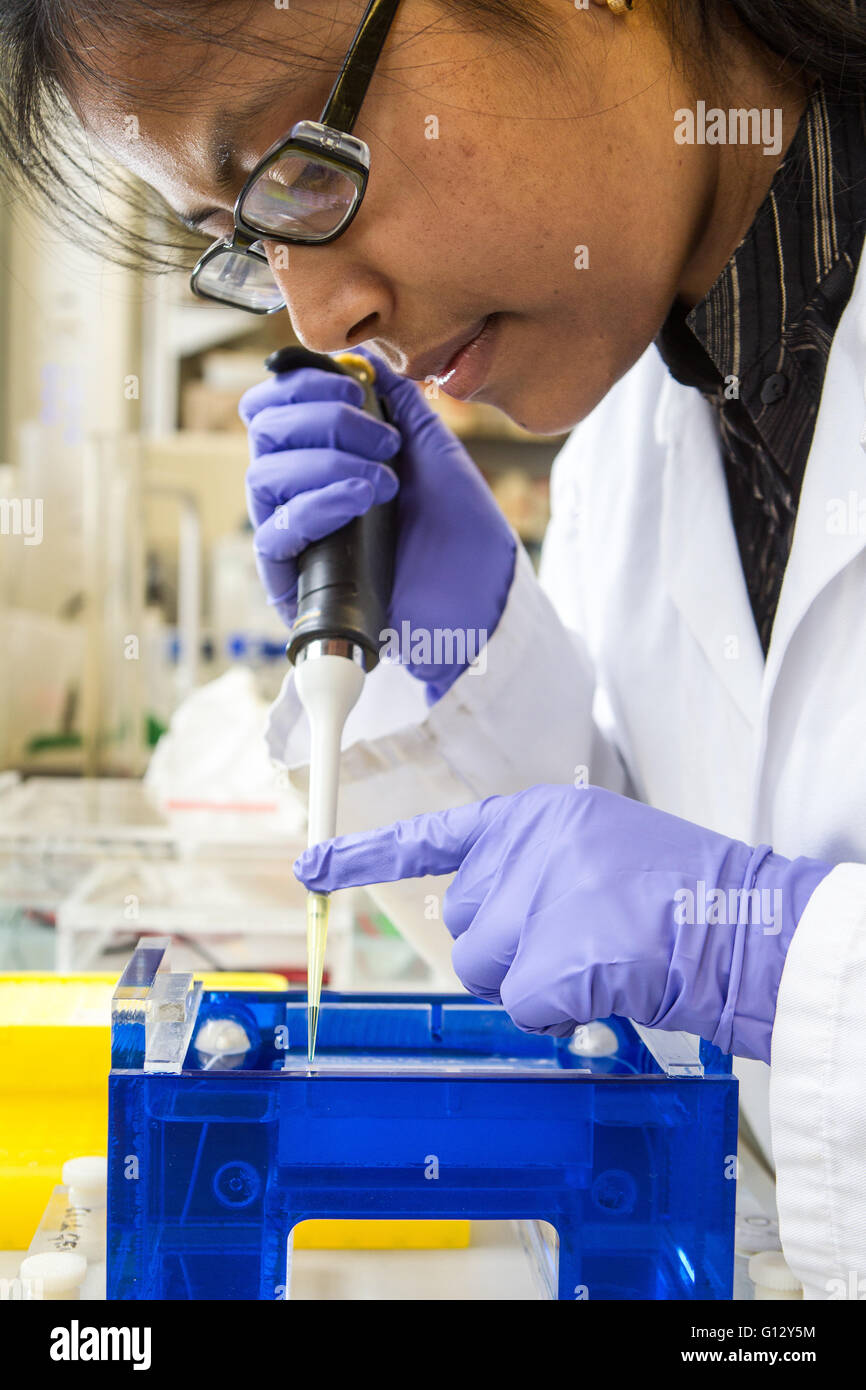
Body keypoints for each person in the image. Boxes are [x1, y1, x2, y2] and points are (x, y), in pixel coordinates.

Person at [2, 0, 865, 1298]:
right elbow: (625, 935)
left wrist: (789, 966)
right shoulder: (640, 425)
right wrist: (456, 658)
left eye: (299, 169)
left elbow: (742, 958)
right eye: (241, 242)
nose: (325, 317)